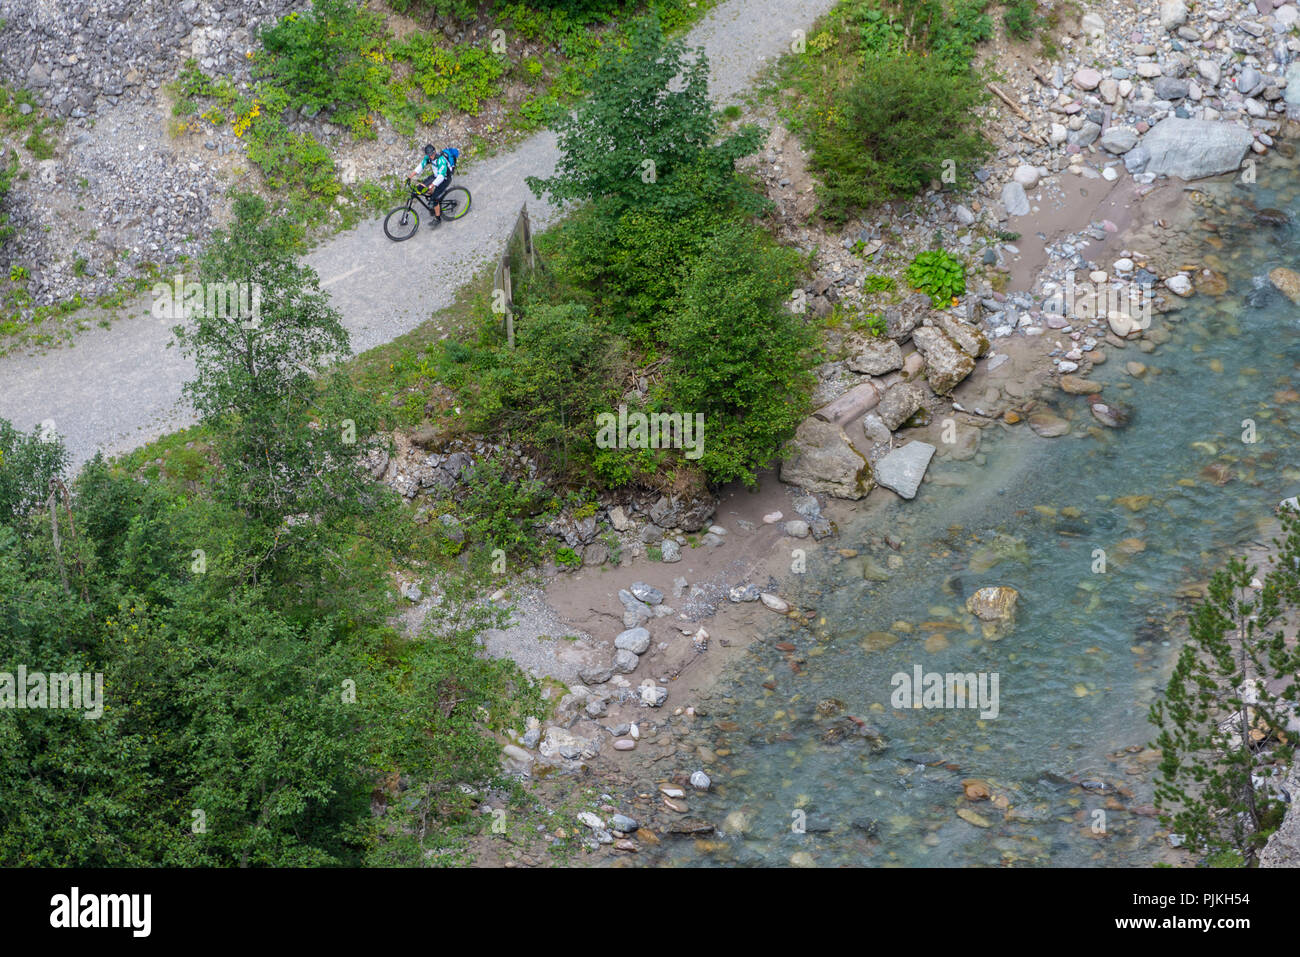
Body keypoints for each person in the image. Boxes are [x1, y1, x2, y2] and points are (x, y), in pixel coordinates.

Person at [407, 144, 460, 221]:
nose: (431, 157)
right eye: (429, 155)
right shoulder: (428, 158)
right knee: (420, 188)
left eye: (432, 154)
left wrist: (432, 185)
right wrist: (410, 176)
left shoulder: (441, 160)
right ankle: (433, 201)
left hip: (445, 178)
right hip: (436, 175)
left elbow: (441, 176)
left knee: (434, 199)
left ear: (434, 152)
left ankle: (438, 218)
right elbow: (421, 166)